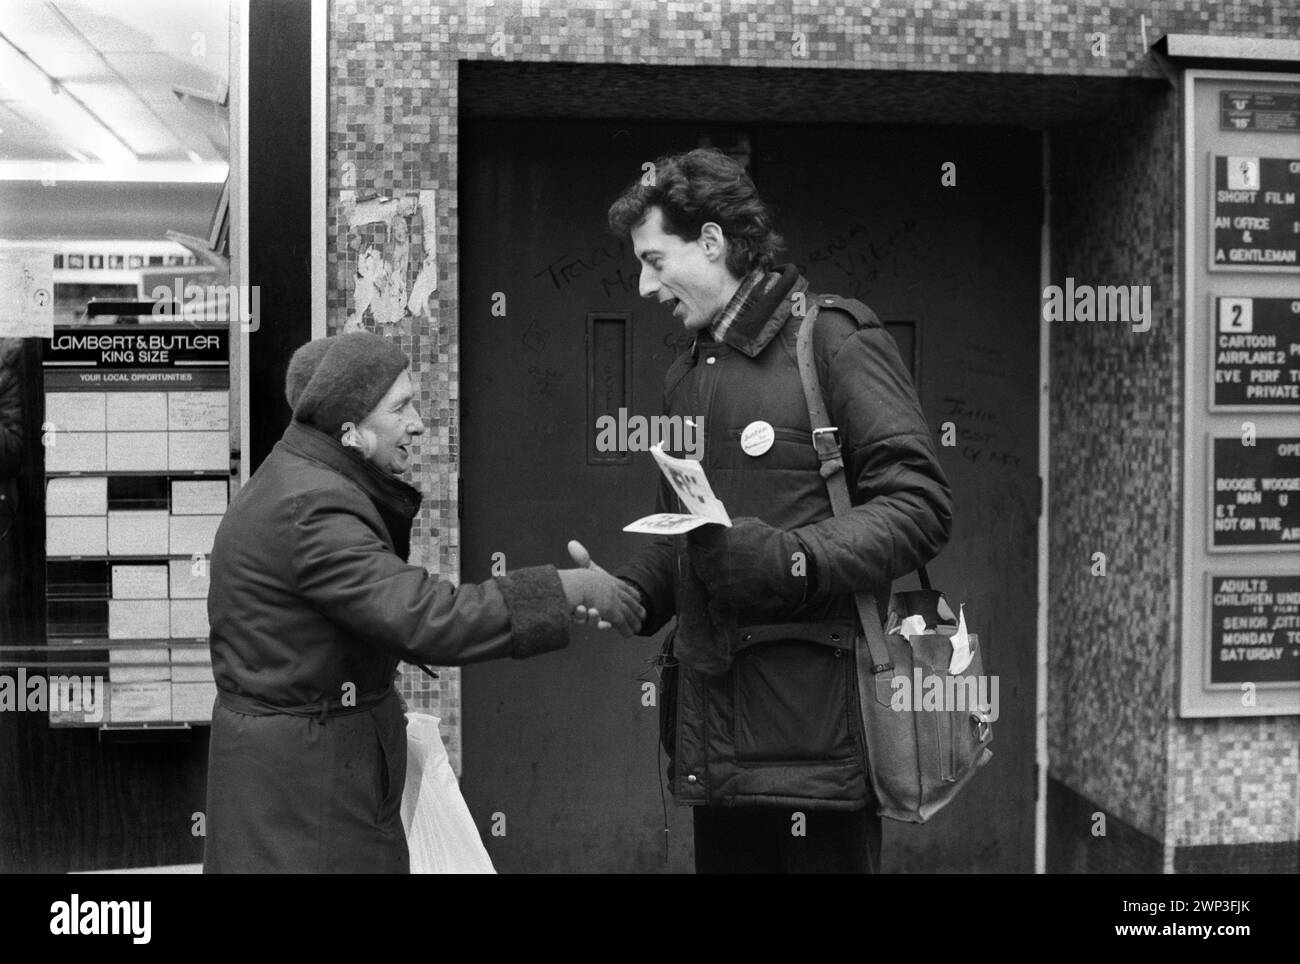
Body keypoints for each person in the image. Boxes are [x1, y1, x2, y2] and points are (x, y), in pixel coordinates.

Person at [599, 148, 952, 873]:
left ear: (711, 242)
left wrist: (794, 559)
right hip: (713, 739)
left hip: (816, 746)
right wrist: (634, 590)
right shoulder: (685, 376)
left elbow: (920, 507)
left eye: (655, 260)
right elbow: (691, 536)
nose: (643, 285)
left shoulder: (832, 340)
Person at [204, 331, 643, 873]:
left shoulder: (306, 478)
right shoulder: (311, 508)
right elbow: (426, 617)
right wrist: (567, 588)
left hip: (312, 766)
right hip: (305, 790)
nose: (417, 422)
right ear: (351, 431)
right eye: (401, 407)